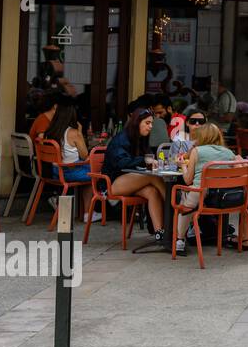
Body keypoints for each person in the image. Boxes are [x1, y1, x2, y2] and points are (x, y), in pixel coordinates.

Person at [174, 123, 240, 257]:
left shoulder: (197, 151)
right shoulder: (228, 153)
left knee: (184, 202)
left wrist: (182, 166)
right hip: (221, 197)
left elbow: (187, 180)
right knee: (190, 197)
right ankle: (194, 229)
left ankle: (180, 240)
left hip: (199, 194)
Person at [103, 109, 169, 242]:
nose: (150, 126)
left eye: (151, 123)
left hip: (131, 180)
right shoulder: (121, 139)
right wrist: (145, 161)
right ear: (137, 123)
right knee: (154, 177)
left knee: (152, 192)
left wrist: (152, 161)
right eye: (147, 123)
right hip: (112, 183)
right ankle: (174, 207)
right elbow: (122, 163)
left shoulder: (142, 139)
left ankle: (160, 233)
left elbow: (147, 158)